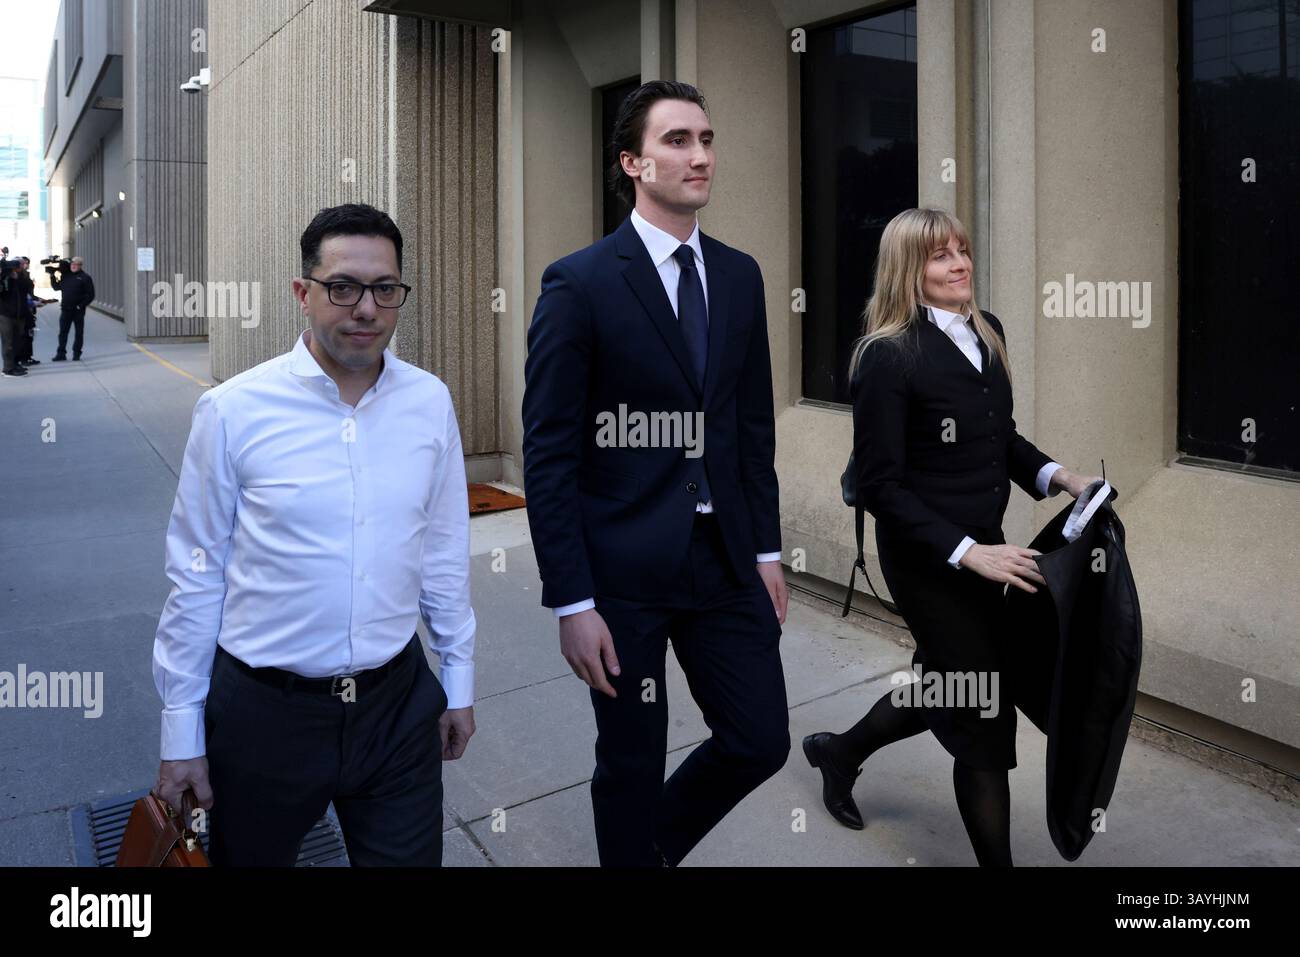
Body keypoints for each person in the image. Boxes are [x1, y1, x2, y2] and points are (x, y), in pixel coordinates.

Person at [153, 203, 477, 866]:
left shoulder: (429, 402)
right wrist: (181, 730)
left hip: (397, 706)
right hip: (265, 719)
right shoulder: (233, 412)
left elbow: (442, 548)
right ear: (304, 293)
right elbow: (196, 573)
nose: (365, 308)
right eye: (343, 287)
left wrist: (458, 677)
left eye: (385, 289)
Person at [522, 80, 790, 868]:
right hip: (622, 572)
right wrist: (572, 598)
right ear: (632, 161)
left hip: (725, 561)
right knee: (632, 760)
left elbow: (750, 428)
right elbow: (549, 449)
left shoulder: (739, 275)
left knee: (759, 739)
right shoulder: (581, 282)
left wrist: (768, 552)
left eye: (706, 138)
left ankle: (647, 851)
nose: (700, 155)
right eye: (678, 140)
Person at [801, 207, 1102, 867]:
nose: (960, 264)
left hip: (983, 546)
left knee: (948, 685)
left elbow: (1000, 439)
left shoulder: (985, 330)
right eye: (942, 256)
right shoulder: (886, 356)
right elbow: (883, 486)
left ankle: (839, 750)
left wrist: (1060, 476)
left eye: (963, 251)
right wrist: (971, 553)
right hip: (928, 558)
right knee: (981, 713)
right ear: (910, 269)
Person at [51, 256, 94, 361]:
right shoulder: (66, 276)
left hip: (78, 310)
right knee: (63, 333)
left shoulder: (85, 277)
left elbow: (91, 295)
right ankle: (61, 354)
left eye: (76, 265)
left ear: (80, 266)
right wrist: (52, 275)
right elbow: (56, 287)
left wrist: (81, 305)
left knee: (78, 333)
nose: (73, 266)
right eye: (72, 264)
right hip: (66, 309)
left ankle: (76, 353)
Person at [1, 254, 34, 378]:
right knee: (8, 342)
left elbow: (28, 289)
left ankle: (15, 364)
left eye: (22, 264)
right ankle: (8, 369)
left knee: (17, 341)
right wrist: (5, 274)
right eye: (19, 264)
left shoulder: (22, 278)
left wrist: (20, 276)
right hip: (6, 314)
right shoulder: (5, 277)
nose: (22, 266)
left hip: (20, 314)